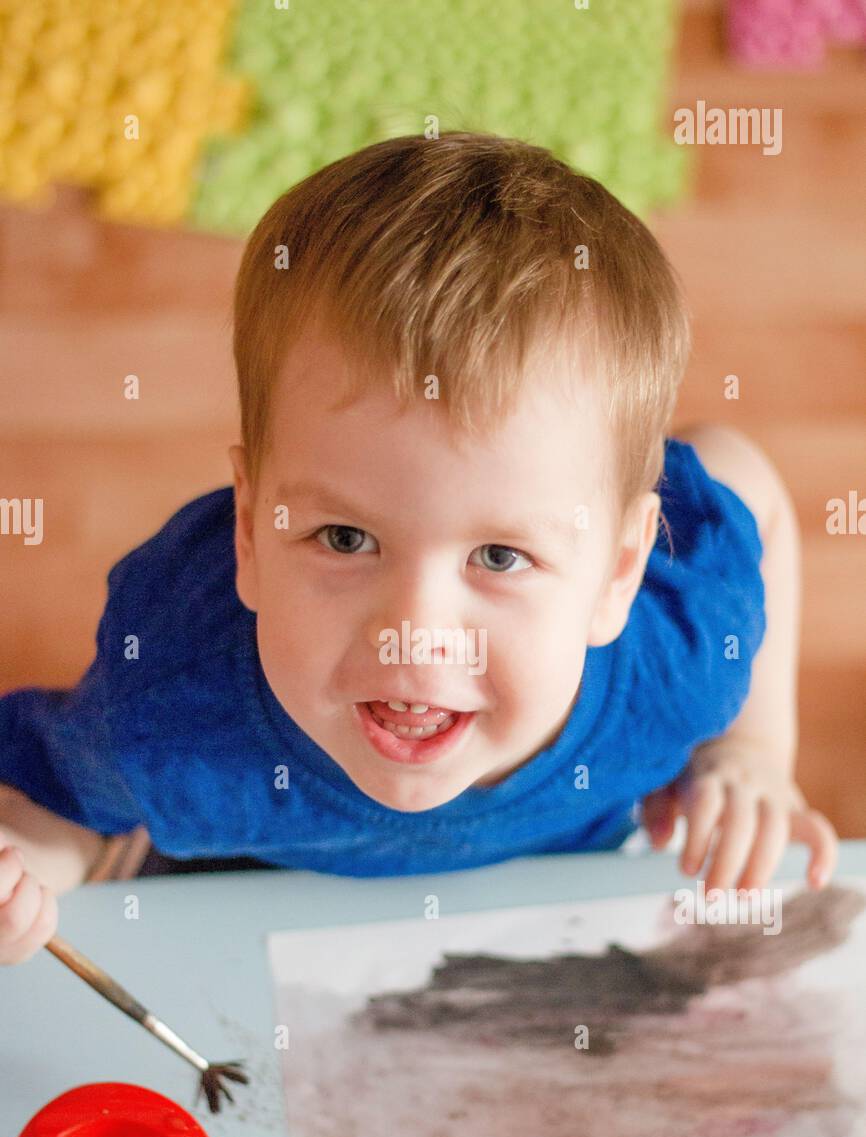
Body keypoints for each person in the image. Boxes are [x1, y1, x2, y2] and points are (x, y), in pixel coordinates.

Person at [0, 131, 837, 964]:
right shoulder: (175, 706)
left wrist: (749, 751)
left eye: (500, 557)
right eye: (346, 537)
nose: (414, 631)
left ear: (619, 573)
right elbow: (55, 809)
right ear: (250, 533)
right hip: (237, 901)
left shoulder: (674, 653)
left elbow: (745, 488)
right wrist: (23, 873)